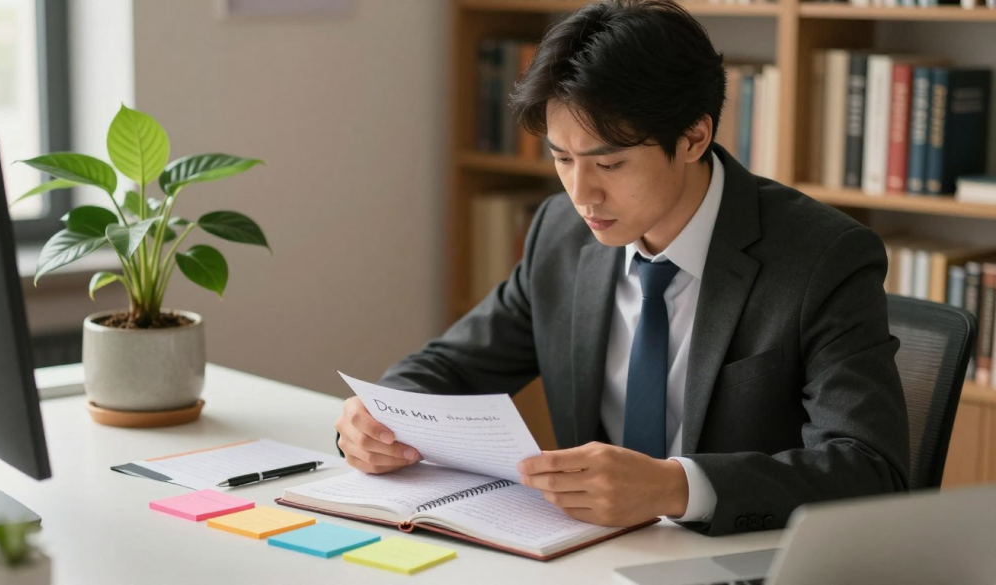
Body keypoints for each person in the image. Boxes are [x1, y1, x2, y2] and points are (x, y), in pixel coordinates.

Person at [334, 0, 909, 536]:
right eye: (562, 159)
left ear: (694, 137)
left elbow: (868, 469)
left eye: (609, 162)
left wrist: (675, 487)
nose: (582, 194)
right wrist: (379, 420)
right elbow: (451, 368)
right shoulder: (559, 234)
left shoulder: (823, 257)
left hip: (738, 555)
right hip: (590, 553)